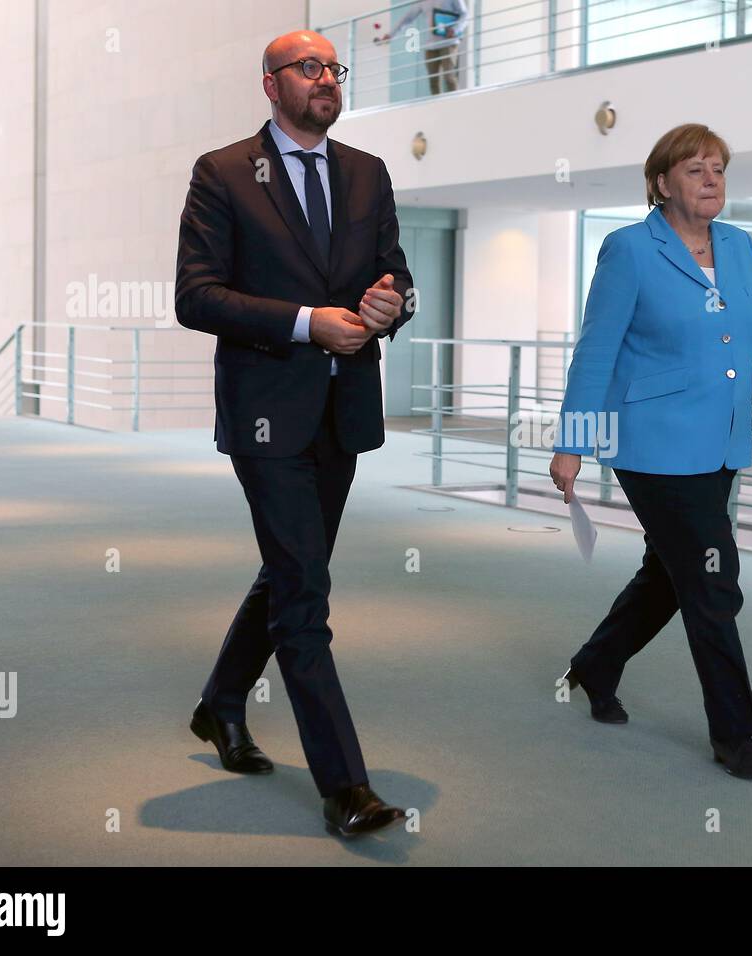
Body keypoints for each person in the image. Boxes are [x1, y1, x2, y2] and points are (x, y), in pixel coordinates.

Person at [550, 123, 752, 780]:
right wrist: (573, 443)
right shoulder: (630, 250)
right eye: (695, 169)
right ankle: (735, 730)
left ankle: (595, 665)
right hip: (652, 445)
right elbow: (598, 350)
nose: (712, 178)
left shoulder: (740, 247)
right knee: (713, 582)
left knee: (671, 573)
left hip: (720, 442)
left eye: (719, 167)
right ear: (663, 183)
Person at [174, 30, 414, 837]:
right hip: (267, 411)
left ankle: (220, 703)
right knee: (305, 590)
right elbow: (197, 297)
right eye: (307, 68)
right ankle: (347, 787)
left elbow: (396, 275)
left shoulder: (366, 173)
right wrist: (311, 324)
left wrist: (390, 306)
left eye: (332, 69)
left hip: (342, 411)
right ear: (270, 85)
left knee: (290, 572)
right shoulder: (224, 173)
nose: (325, 80)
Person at [380, 0, 470, 95]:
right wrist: (390, 35)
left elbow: (465, 15)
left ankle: (454, 106)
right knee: (433, 81)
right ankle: (438, 107)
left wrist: (455, 29)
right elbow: (407, 18)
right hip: (431, 46)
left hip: (449, 42)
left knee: (449, 78)